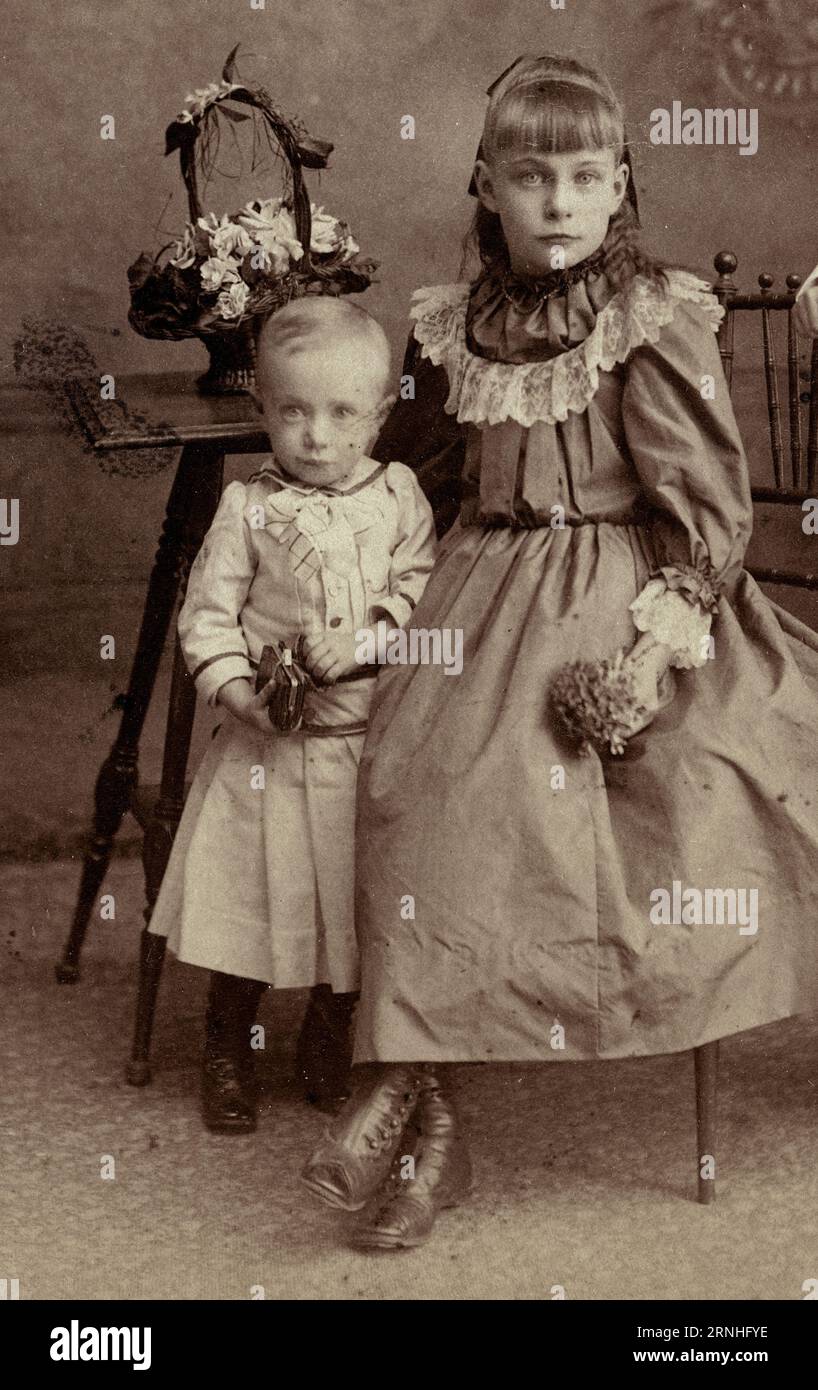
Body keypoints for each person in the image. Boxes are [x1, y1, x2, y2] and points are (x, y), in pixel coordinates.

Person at [302, 53, 818, 1249]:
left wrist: (650, 648)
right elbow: (421, 478)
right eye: (531, 177)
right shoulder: (457, 321)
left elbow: (708, 509)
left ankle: (415, 1107)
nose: (559, 202)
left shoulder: (648, 316)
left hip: (624, 581)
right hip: (478, 583)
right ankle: (423, 1100)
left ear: (619, 184)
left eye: (586, 176)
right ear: (485, 185)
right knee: (407, 776)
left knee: (514, 789)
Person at [147, 296, 436, 1133]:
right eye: (292, 412)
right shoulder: (250, 508)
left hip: (359, 750)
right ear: (263, 410)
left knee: (346, 910)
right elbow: (205, 616)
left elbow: (421, 590)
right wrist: (238, 691)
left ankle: (326, 1038)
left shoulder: (398, 499)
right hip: (267, 753)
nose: (316, 435)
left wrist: (372, 639)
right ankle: (228, 1049)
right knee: (252, 905)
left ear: (379, 416)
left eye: (342, 413)